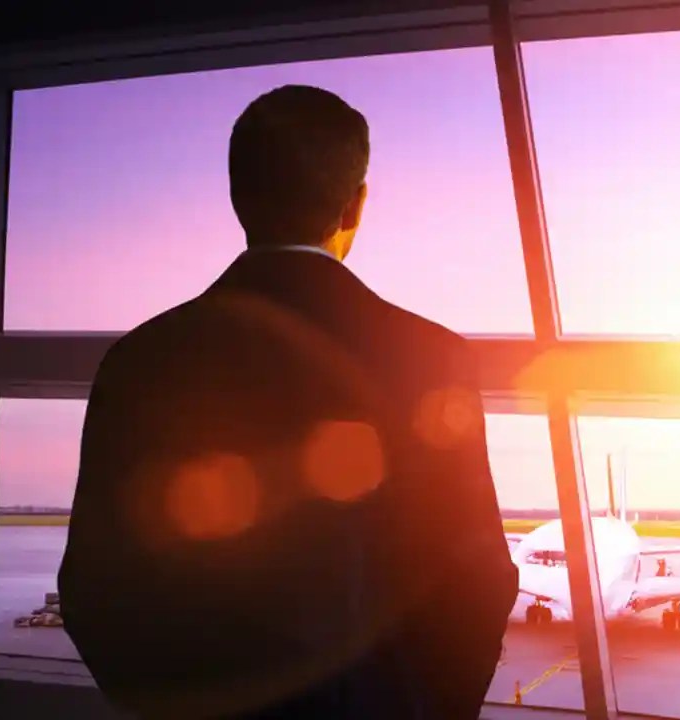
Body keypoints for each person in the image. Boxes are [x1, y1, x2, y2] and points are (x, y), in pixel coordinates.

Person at [58, 85, 518, 720]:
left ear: (237, 197)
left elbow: (91, 592)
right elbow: (478, 581)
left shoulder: (140, 359)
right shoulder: (434, 357)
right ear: (355, 204)